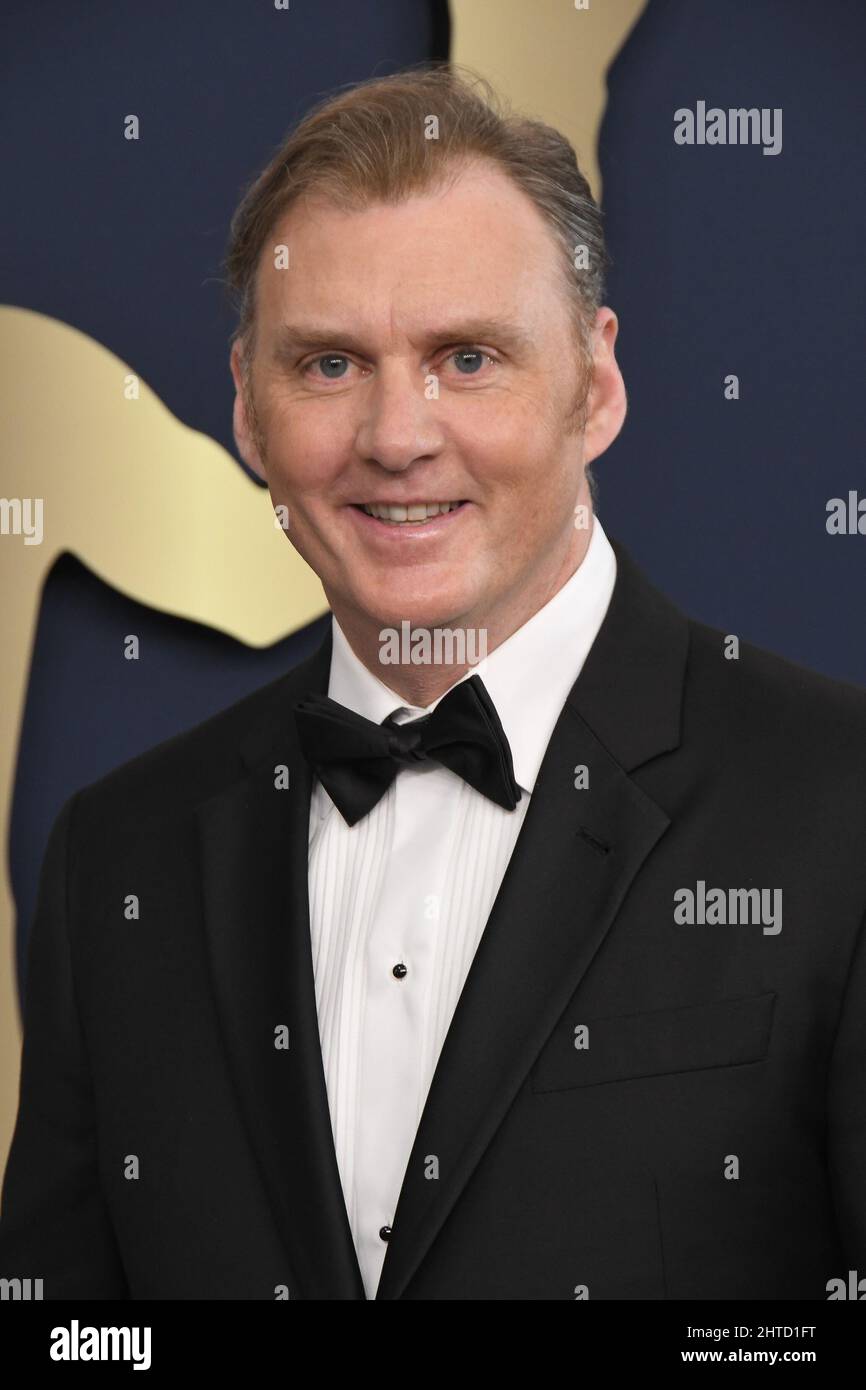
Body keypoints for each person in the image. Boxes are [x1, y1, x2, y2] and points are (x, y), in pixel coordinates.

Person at [2, 64, 865, 1301]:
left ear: (594, 385)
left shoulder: (839, 808)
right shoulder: (117, 858)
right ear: (247, 412)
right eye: (330, 366)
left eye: (467, 358)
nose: (397, 435)